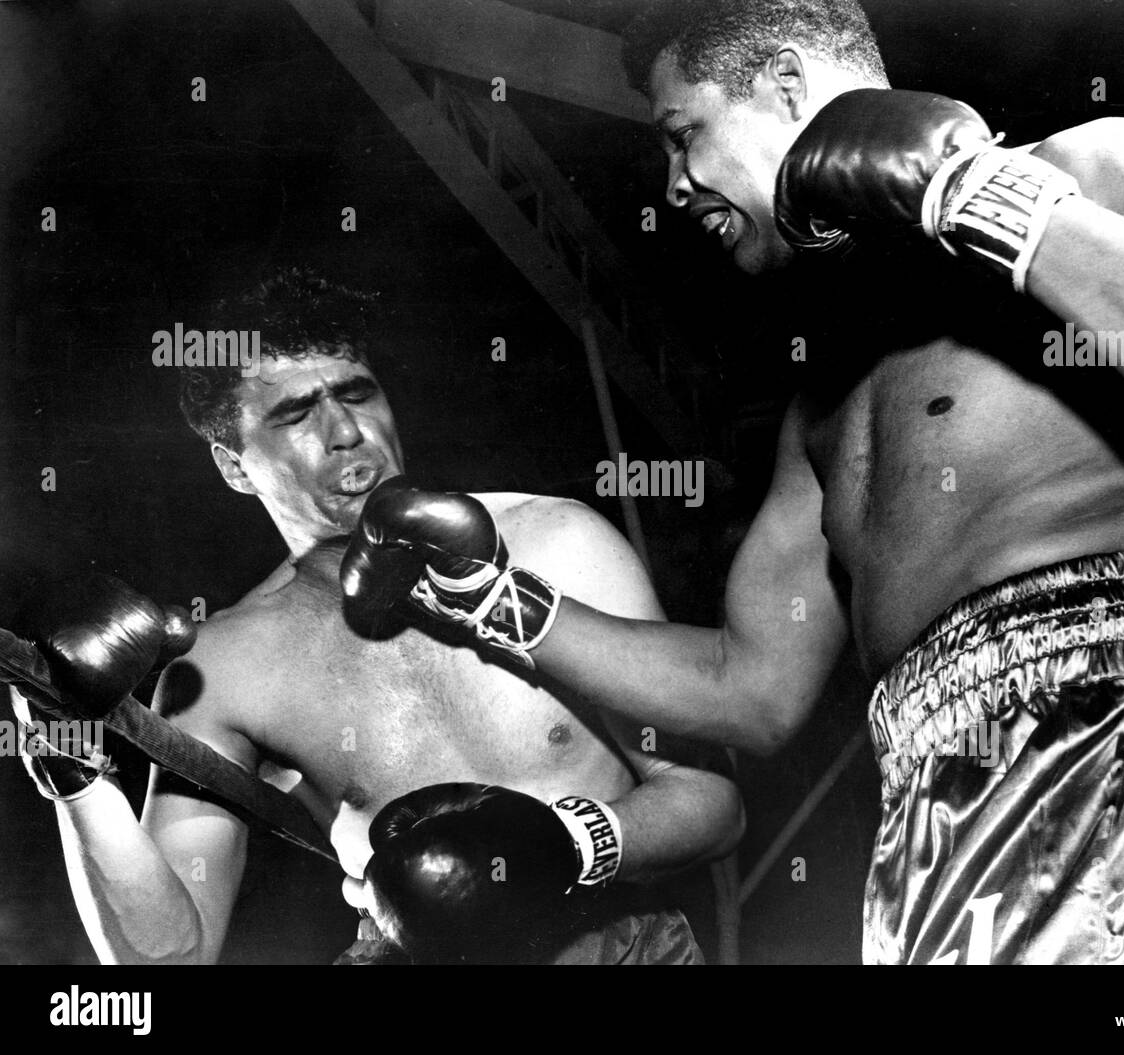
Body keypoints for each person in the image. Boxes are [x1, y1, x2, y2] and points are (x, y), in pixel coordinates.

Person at [348, 1, 1124, 963]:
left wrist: (978, 193)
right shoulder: (827, 398)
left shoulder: (1092, 164)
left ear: (789, 88)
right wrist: (489, 599)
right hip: (929, 826)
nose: (673, 188)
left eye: (685, 139)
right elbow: (749, 689)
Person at [7, 268, 743, 965]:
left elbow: (712, 801)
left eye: (357, 394)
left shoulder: (554, 540)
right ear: (233, 465)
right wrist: (73, 774)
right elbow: (170, 957)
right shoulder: (228, 663)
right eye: (297, 413)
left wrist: (565, 843)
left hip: (612, 944)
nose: (345, 431)